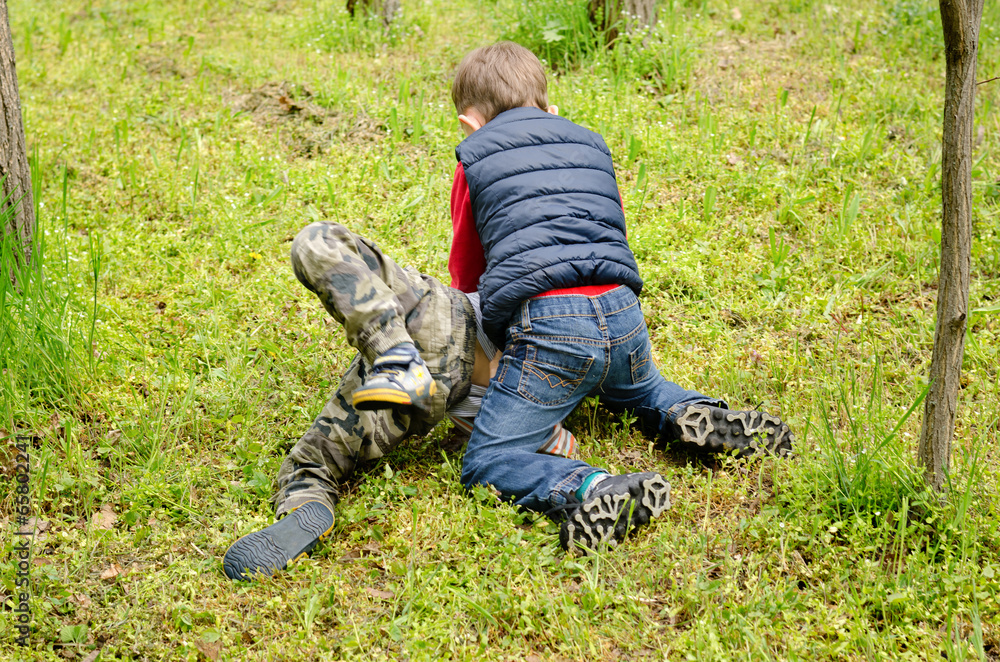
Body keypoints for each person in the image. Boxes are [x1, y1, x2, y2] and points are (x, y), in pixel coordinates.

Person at [444, 41, 794, 554]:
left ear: (470, 125)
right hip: (622, 312)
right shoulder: (591, 145)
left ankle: (591, 488)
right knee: (640, 390)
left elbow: (467, 276)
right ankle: (692, 413)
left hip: (549, 328)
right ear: (550, 110)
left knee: (488, 461)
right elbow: (610, 232)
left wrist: (487, 350)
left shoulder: (475, 160)